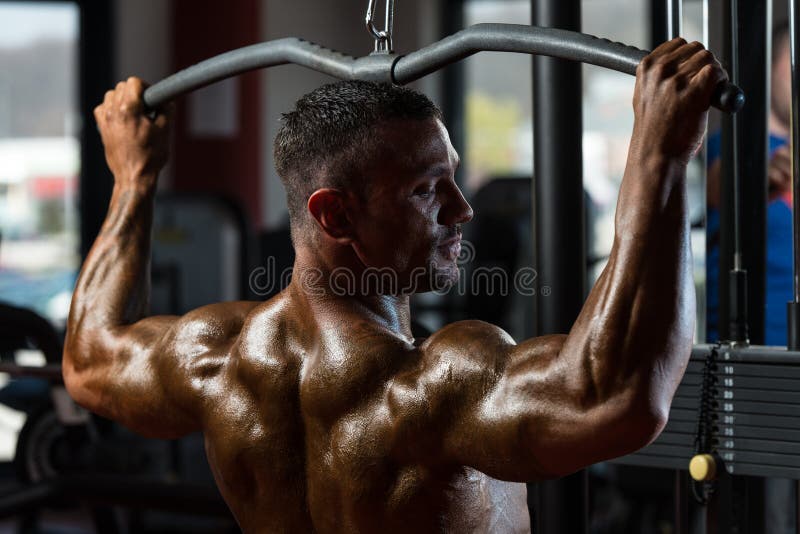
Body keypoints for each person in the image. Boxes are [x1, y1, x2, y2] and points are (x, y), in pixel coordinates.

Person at [63, 39, 724, 532]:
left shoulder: (215, 358)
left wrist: (133, 180)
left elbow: (90, 357)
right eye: (426, 190)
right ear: (336, 214)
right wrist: (658, 156)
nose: (463, 209)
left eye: (452, 179)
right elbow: (616, 397)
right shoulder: (431, 389)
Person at [706, 22, 793, 345]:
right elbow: (718, 186)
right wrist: (759, 177)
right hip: (746, 348)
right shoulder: (733, 145)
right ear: (771, 69)